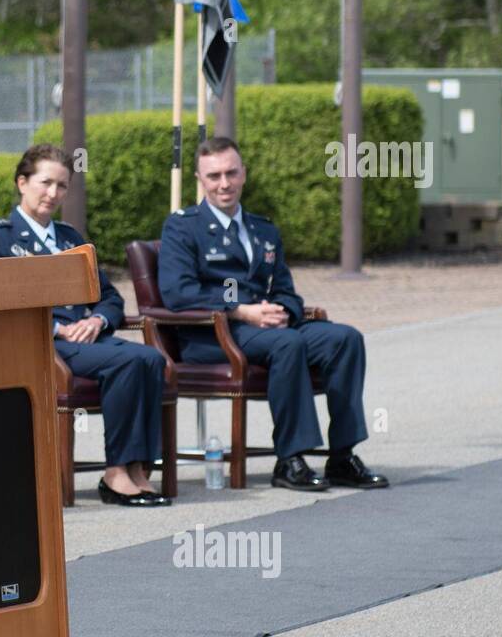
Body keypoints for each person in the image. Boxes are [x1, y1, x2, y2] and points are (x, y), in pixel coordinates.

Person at [157, 135, 389, 492]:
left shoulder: (263, 229)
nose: (224, 184)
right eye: (214, 176)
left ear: (244, 174)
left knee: (345, 339)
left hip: (268, 326)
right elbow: (179, 293)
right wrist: (242, 310)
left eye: (231, 173)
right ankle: (290, 459)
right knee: (287, 344)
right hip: (214, 334)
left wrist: (282, 310)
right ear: (200, 180)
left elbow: (284, 288)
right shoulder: (183, 227)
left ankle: (342, 455)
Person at [0, 144, 171, 507]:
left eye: (62, 186)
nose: (53, 194)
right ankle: (117, 472)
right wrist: (56, 328)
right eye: (45, 183)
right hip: (43, 344)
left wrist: (98, 318)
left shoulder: (71, 239)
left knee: (151, 359)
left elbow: (109, 296)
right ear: (22, 182)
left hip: (87, 339)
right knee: (128, 362)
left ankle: (138, 468)